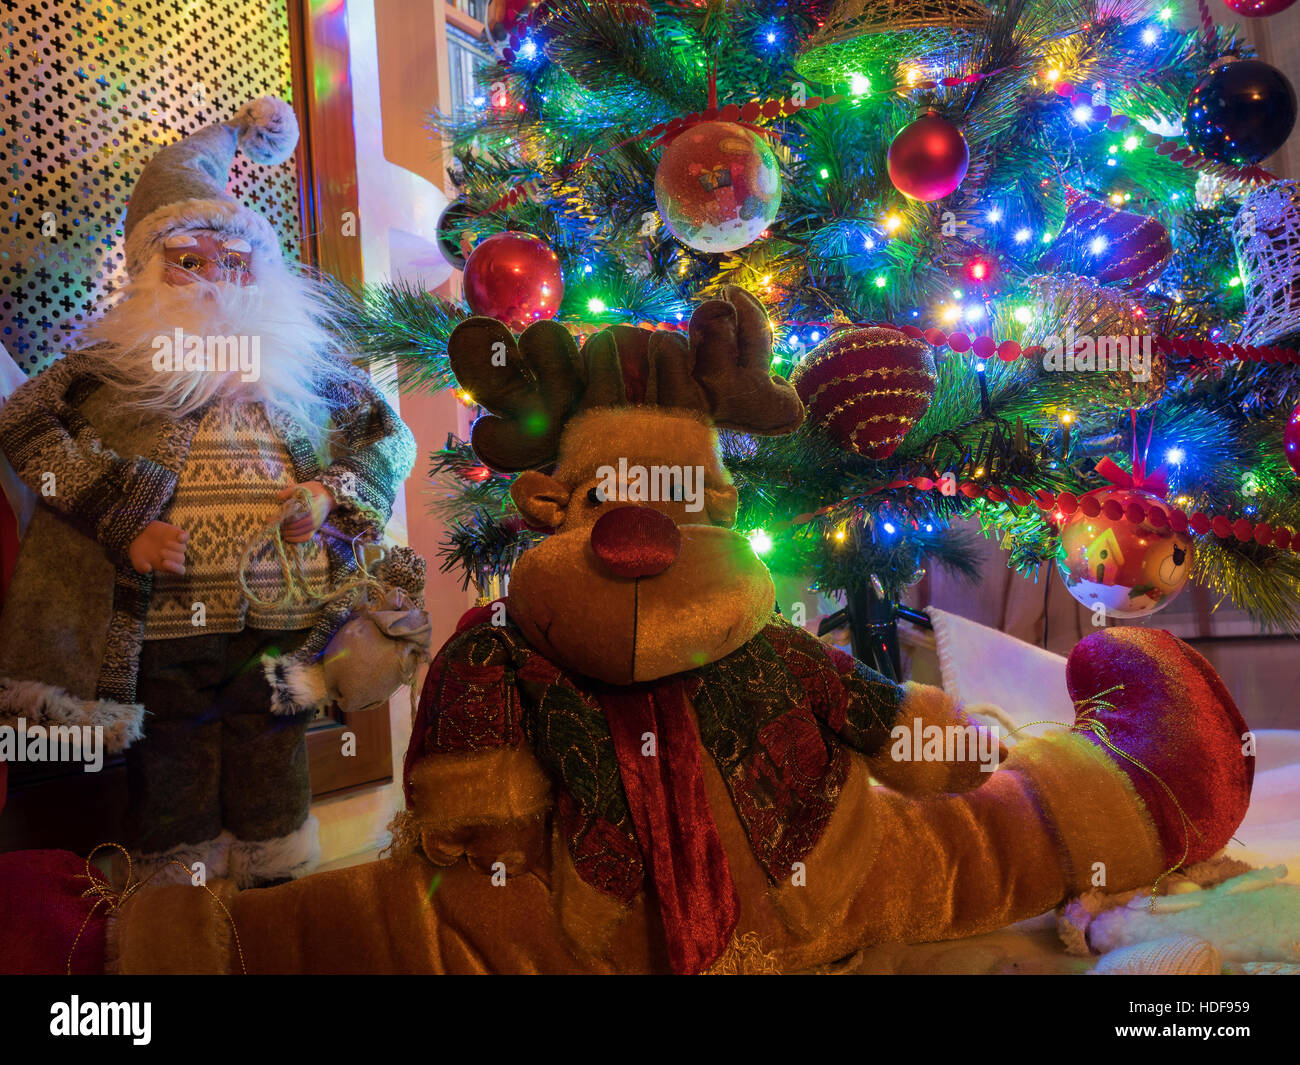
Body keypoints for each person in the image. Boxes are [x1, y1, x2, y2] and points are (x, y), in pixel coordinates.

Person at [0, 96, 419, 888]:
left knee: (272, 758)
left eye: (233, 262)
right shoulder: (104, 372)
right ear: (150, 270)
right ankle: (177, 916)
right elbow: (26, 432)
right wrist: (121, 520)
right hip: (158, 626)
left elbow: (389, 436)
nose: (214, 280)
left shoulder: (307, 377)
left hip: (280, 621)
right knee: (173, 768)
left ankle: (275, 901)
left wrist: (331, 493)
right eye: (187, 261)